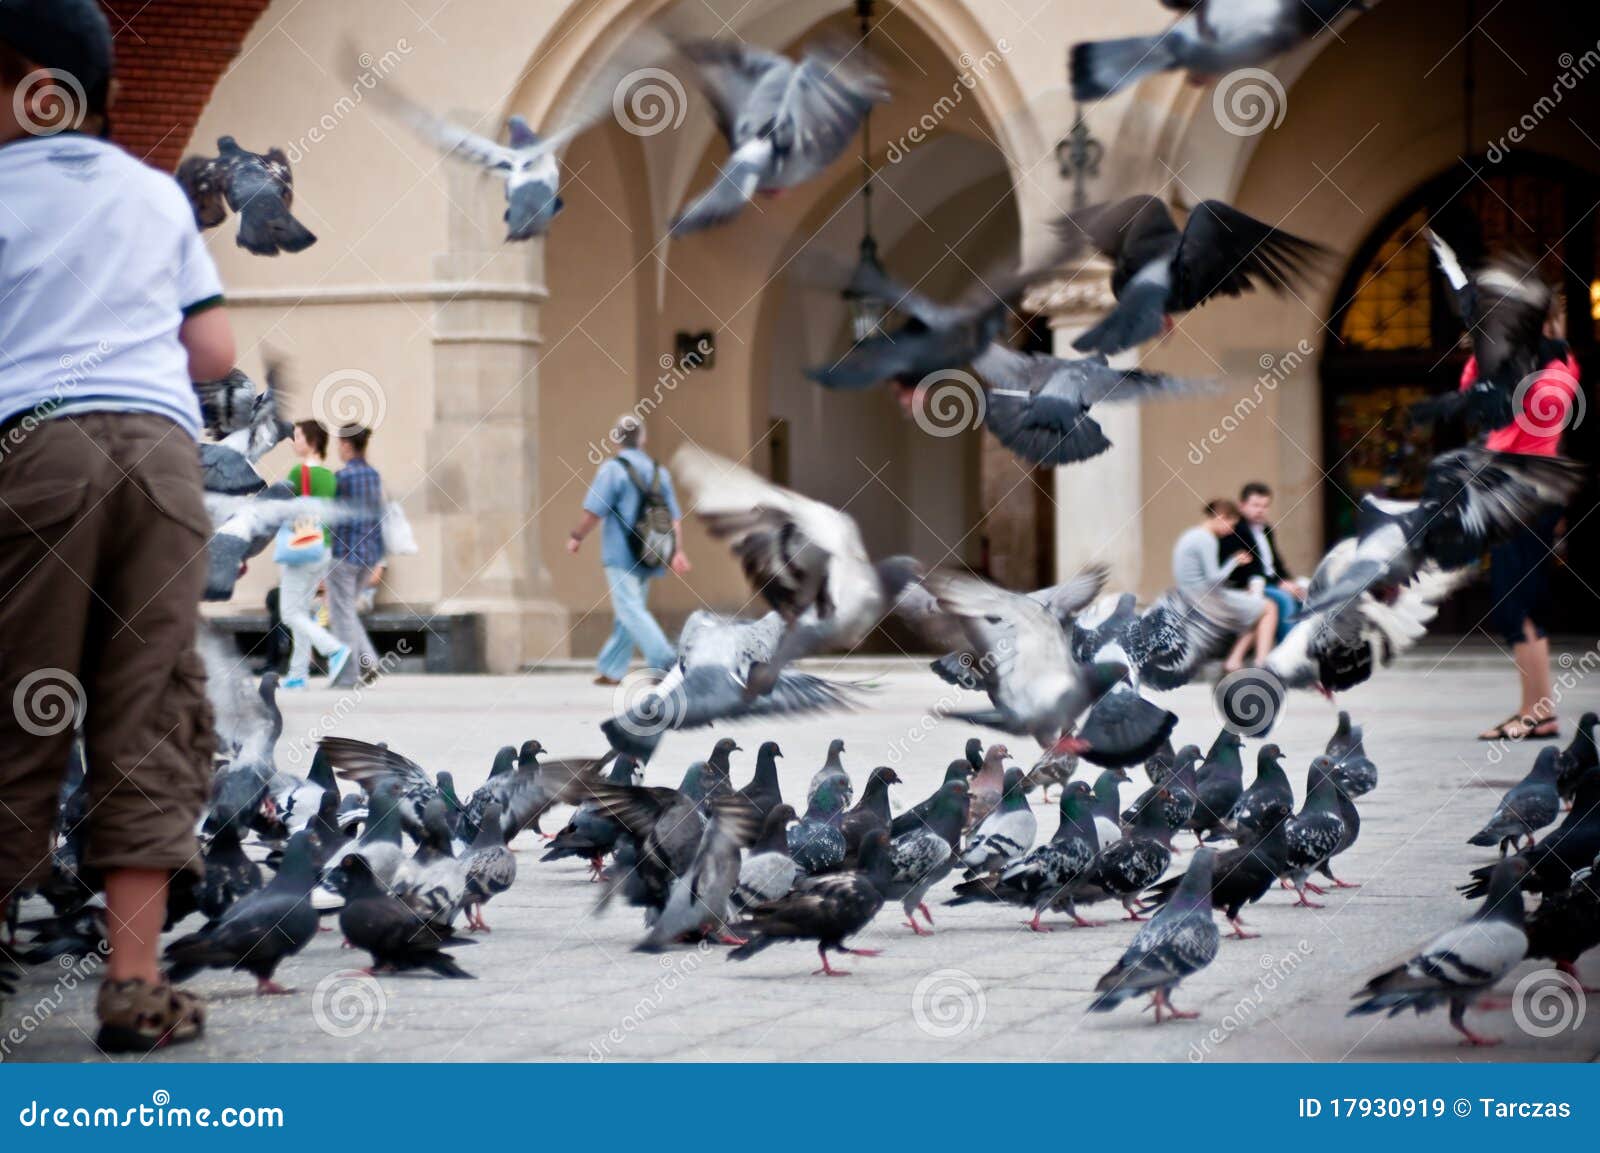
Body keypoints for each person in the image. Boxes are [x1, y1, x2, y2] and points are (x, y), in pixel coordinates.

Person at [0, 0, 233, 1052]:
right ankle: (136, 985)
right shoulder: (152, 192)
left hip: (35, 452)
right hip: (165, 458)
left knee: (19, 695)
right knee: (152, 705)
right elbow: (214, 351)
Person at [1472, 296, 1580, 742]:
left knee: (1517, 602)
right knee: (1519, 601)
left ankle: (1537, 712)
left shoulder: (1552, 365)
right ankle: (1535, 709)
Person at [567, 415, 690, 685]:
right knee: (631, 610)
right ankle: (612, 668)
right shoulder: (659, 472)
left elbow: (594, 511)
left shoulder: (612, 470)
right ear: (643, 438)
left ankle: (665, 662)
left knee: (630, 609)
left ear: (616, 439)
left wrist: (577, 536)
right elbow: (674, 518)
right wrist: (676, 552)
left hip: (621, 553)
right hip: (652, 551)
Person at [277, 419, 351, 689]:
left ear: (312, 442)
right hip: (323, 547)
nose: (294, 442)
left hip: (301, 548)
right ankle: (298, 674)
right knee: (302, 612)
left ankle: (333, 649)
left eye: (298, 436)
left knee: (289, 612)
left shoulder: (299, 472)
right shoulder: (330, 476)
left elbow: (285, 508)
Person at [1173, 500, 1276, 673]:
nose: (1231, 530)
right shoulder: (1206, 539)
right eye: (1231, 524)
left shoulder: (1190, 535)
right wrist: (1234, 561)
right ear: (1221, 517)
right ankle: (1261, 664)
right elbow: (1214, 579)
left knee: (1254, 606)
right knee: (1269, 607)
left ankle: (1235, 660)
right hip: (1205, 599)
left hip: (1192, 596)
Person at [327, 424, 386, 686]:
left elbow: (333, 518)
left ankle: (348, 675)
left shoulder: (342, 477)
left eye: (339, 444)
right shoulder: (374, 476)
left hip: (343, 552)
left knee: (341, 616)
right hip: (368, 553)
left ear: (346, 445)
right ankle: (368, 661)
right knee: (347, 610)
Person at [1219, 480, 1304, 645]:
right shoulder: (1235, 531)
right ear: (1242, 505)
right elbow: (1246, 570)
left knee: (1303, 592)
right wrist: (1279, 584)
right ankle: (1286, 649)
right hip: (1249, 584)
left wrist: (1288, 581)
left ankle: (1301, 647)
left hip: (1271, 582)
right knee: (1284, 598)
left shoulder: (1266, 530)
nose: (1260, 510)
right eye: (1256, 505)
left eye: (1265, 506)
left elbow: (1277, 563)